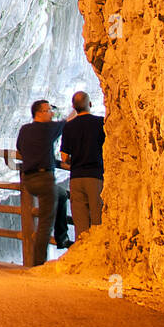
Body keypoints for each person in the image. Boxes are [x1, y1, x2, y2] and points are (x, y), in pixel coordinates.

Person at [15, 99, 64, 266]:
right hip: (44, 178)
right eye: (49, 110)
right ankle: (38, 262)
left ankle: (62, 235)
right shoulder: (47, 129)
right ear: (40, 112)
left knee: (62, 194)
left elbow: (20, 150)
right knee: (45, 222)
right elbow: (67, 121)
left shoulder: (24, 129)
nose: (51, 113)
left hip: (29, 179)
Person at [61, 90, 105, 237]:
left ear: (74, 107)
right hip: (95, 176)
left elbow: (64, 157)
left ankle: (83, 250)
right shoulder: (100, 123)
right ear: (90, 104)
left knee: (81, 223)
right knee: (98, 220)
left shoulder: (69, 127)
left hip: (76, 177)